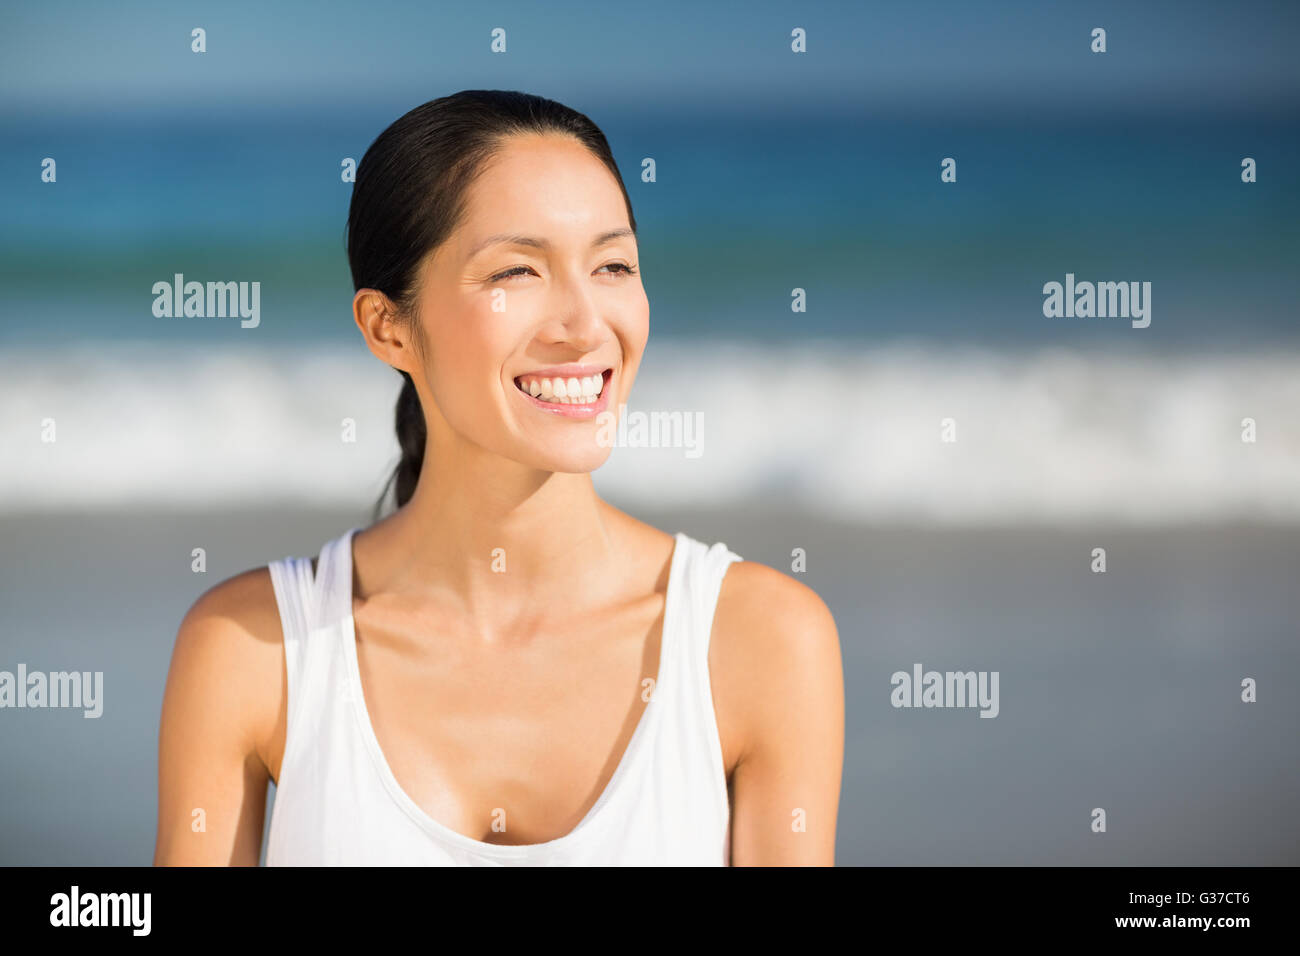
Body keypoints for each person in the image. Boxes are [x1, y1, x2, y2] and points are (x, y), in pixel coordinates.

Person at [154, 90, 843, 865]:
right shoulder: (255, 649)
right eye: (517, 271)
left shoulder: (757, 641)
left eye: (613, 264)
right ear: (389, 327)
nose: (585, 324)